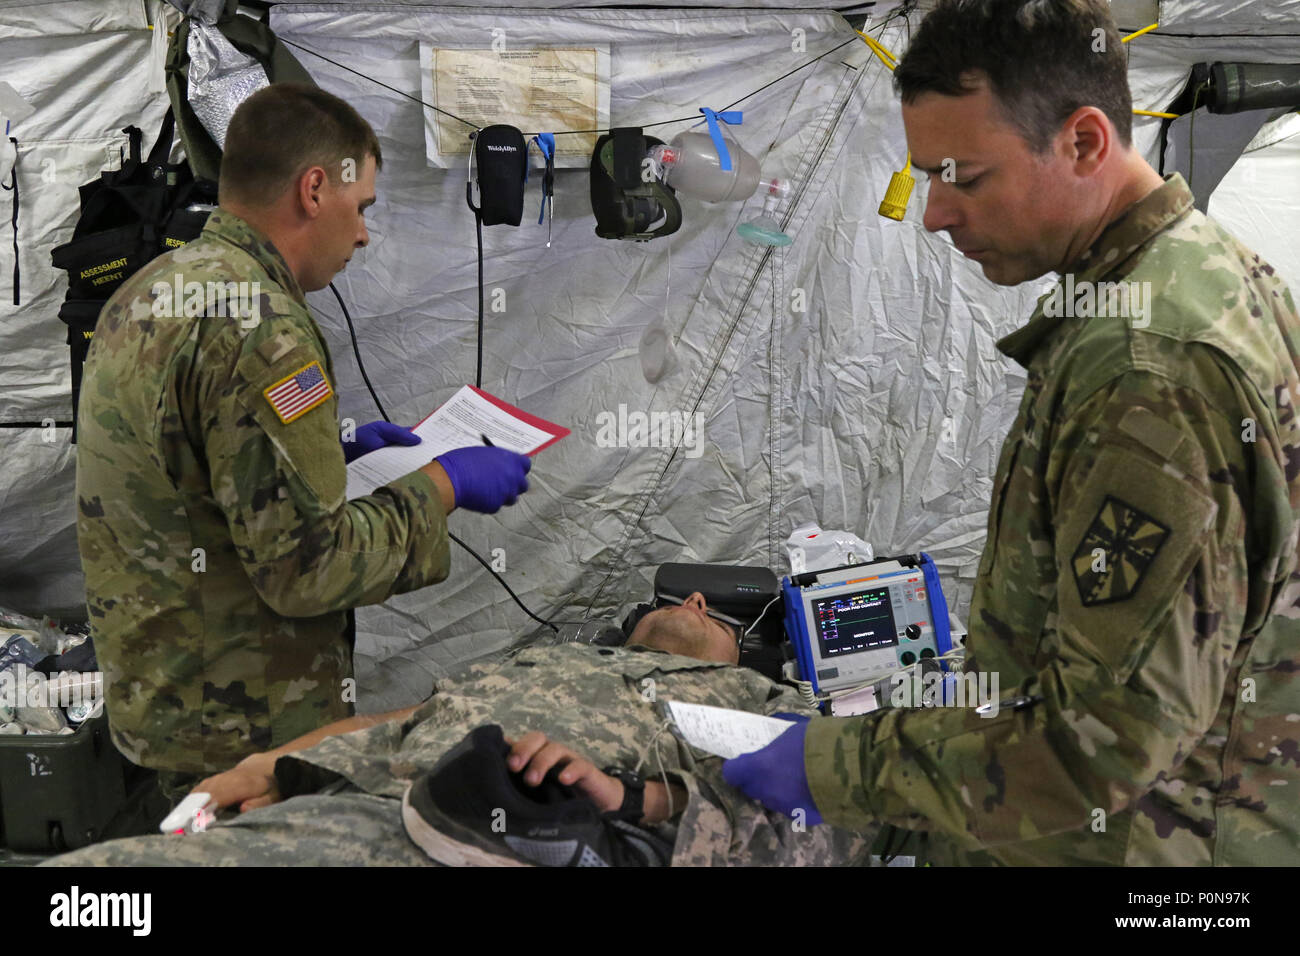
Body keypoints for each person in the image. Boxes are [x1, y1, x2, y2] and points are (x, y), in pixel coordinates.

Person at [726, 0, 1300, 865]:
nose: (935, 214)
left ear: (1083, 143)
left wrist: (834, 766)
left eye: (964, 176)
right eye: (928, 177)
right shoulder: (1200, 277)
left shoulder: (1148, 366)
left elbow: (1103, 743)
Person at [75, 83, 532, 817]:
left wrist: (336, 452)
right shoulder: (262, 329)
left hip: (164, 690)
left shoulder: (156, 287)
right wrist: (441, 485)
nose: (362, 236)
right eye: (364, 209)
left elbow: (188, 462)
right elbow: (307, 571)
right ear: (316, 189)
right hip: (240, 723)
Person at [45, 593, 874, 867]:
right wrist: (273, 764)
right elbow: (405, 721)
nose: (693, 605)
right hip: (388, 810)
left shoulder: (759, 703)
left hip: (553, 832)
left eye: (714, 613)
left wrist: (638, 800)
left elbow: (836, 814)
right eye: (680, 599)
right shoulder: (535, 662)